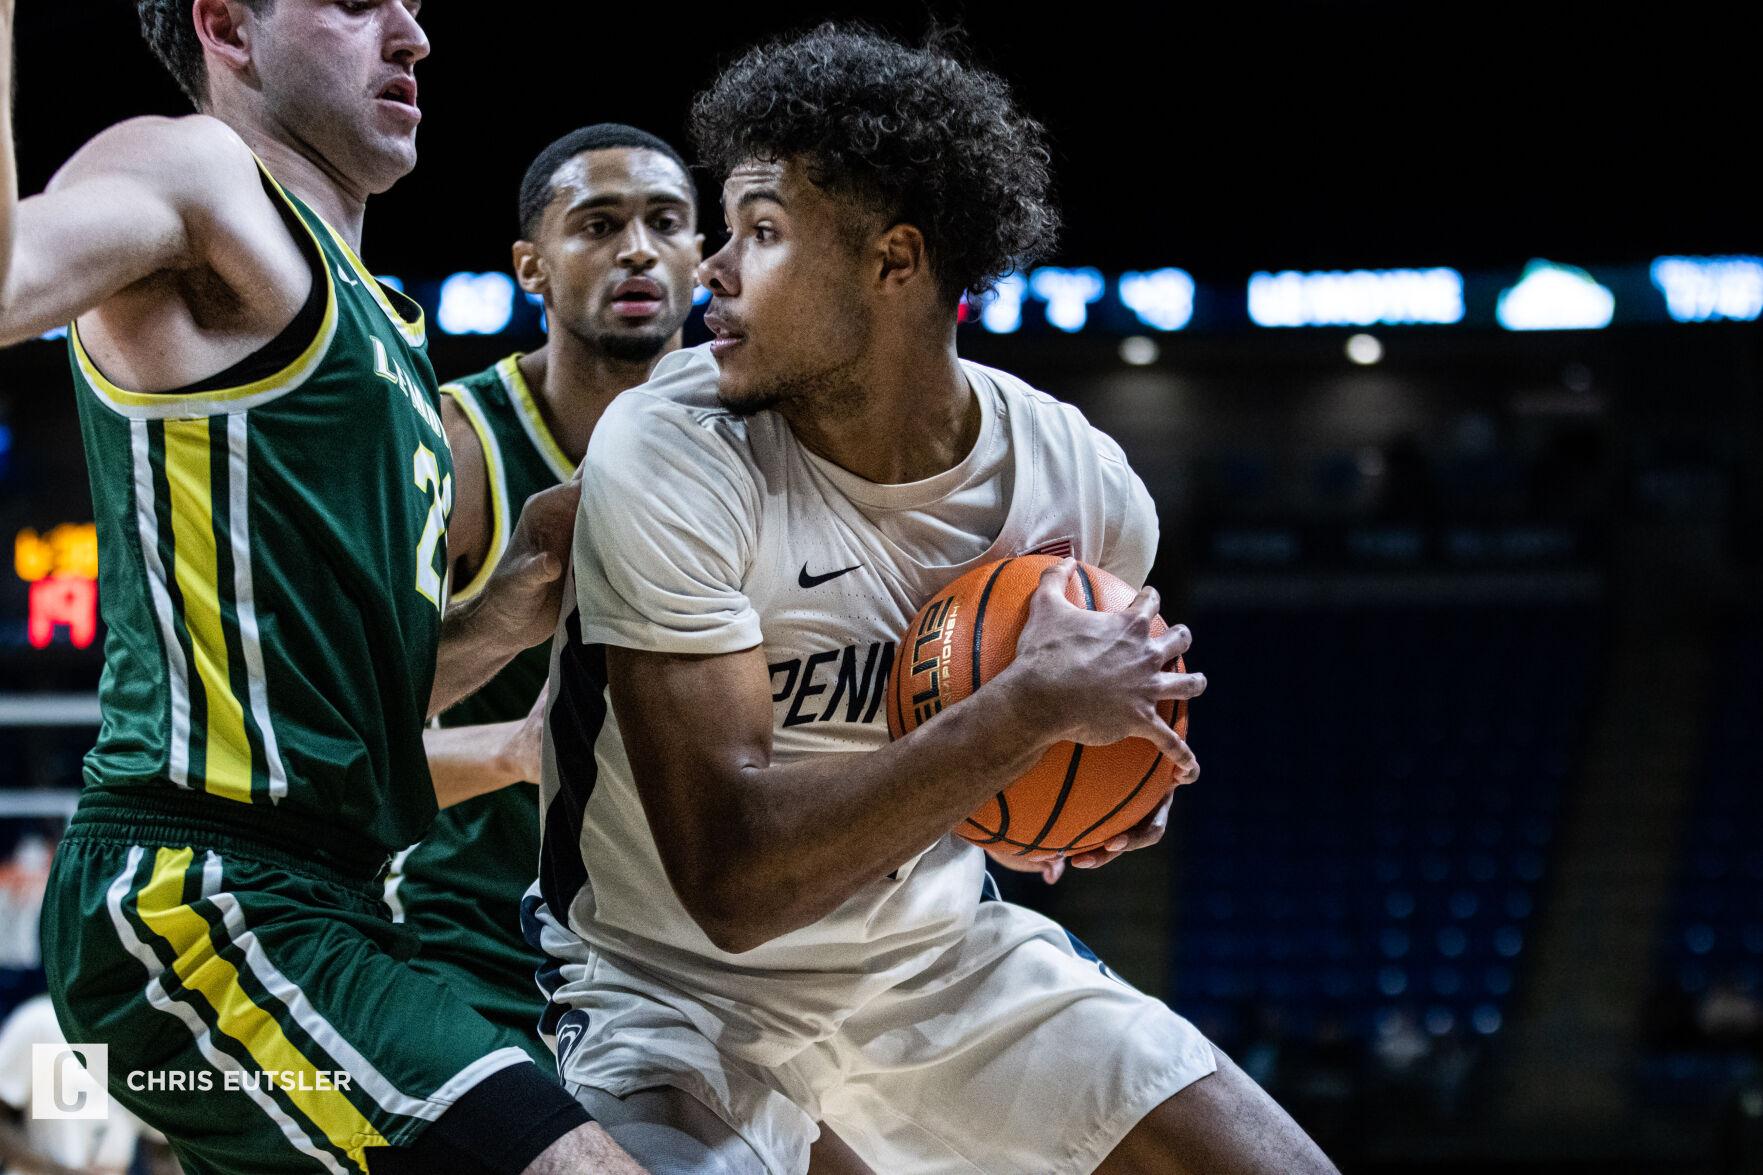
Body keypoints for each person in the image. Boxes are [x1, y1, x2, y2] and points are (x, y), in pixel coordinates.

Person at [527, 23, 1338, 1175]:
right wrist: (1023, 714)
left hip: (938, 962)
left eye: (760, 232)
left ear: (893, 264)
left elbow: (1070, 748)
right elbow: (731, 881)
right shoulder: (670, 448)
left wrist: (1099, 791)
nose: (707, 268)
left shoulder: (1082, 488)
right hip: (674, 992)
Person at [0, 3, 640, 1171]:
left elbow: (360, 701)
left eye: (413, 8)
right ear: (228, 26)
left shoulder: (381, 328)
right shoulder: (201, 176)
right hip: (199, 902)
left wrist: (530, 586)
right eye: (356, 4)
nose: (412, 36)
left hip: (326, 901)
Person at [389, 123, 702, 1068]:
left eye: (665, 221)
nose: (637, 247)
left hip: (690, 954)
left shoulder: (760, 445)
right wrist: (522, 751)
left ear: (703, 253)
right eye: (598, 225)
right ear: (532, 264)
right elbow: (344, 741)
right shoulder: (456, 444)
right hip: (475, 946)